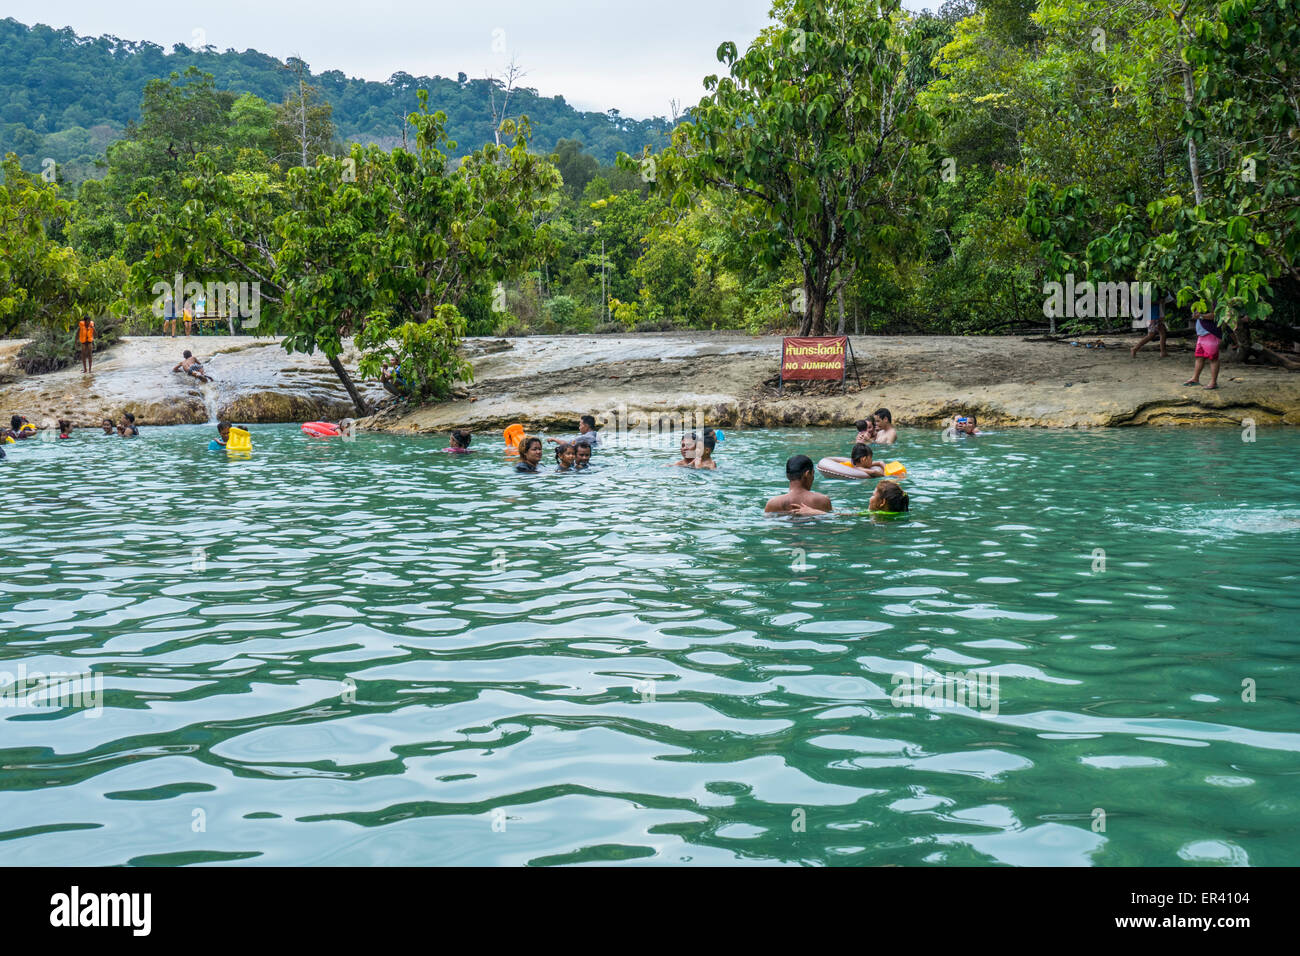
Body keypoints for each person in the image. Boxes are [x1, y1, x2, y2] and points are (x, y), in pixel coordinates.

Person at [764, 454, 832, 515]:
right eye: (813, 473)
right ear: (807, 474)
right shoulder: (822, 500)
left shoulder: (773, 503)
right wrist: (816, 513)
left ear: (787, 476)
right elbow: (832, 519)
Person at [1185, 311, 1223, 390]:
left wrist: (1201, 316)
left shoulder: (1213, 301)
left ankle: (1213, 382)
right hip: (1201, 335)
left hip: (1211, 333)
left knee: (1213, 358)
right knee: (1199, 357)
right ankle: (1195, 378)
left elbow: (1215, 315)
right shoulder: (1202, 301)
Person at [1131, 292, 1169, 358]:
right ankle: (1135, 348)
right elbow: (1148, 303)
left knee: (1163, 334)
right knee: (1151, 335)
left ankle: (1163, 352)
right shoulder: (1149, 295)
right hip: (1153, 317)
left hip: (1156, 317)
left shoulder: (1155, 294)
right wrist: (1159, 302)